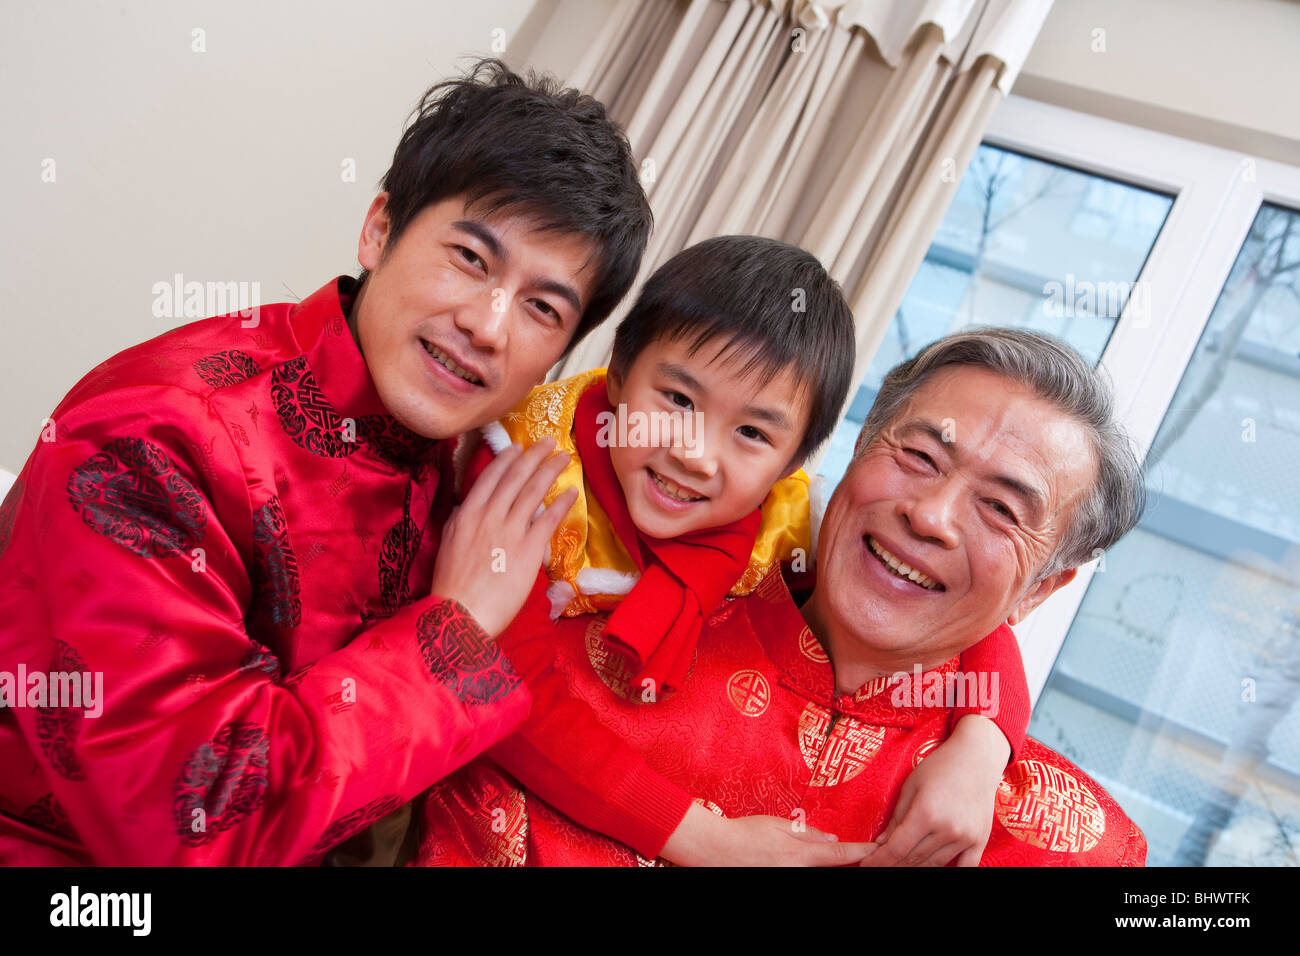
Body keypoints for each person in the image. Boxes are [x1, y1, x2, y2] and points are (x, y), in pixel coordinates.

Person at [0, 58, 653, 865]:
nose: (489, 326)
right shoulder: (158, 440)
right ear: (379, 229)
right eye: (472, 259)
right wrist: (451, 631)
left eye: (542, 307)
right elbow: (193, 819)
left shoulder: (467, 470)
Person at [417, 327, 1150, 866]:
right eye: (919, 457)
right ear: (853, 458)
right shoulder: (601, 638)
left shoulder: (1062, 841)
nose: (929, 516)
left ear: (1043, 588)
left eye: (1001, 508)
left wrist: (984, 742)